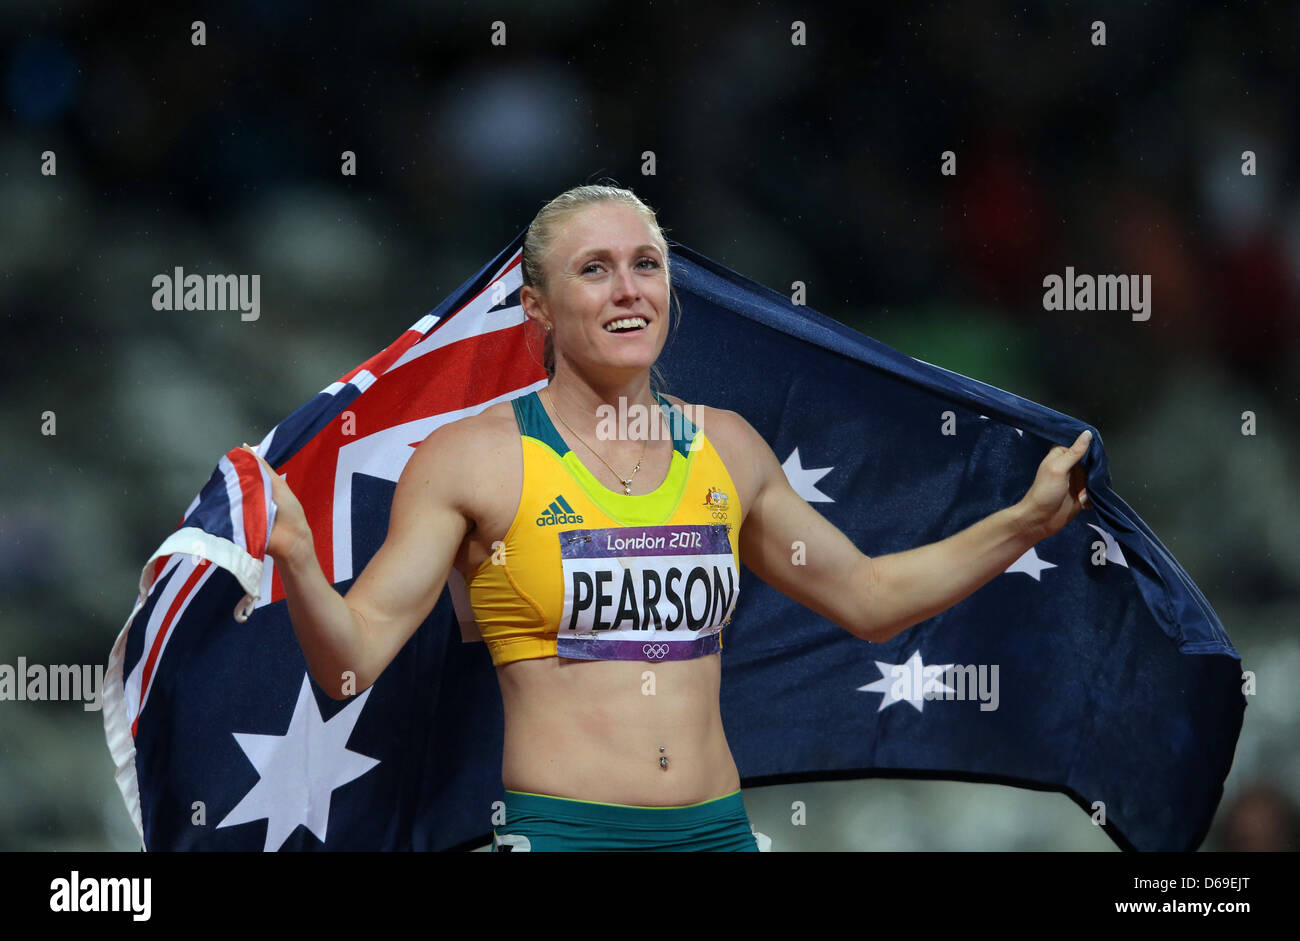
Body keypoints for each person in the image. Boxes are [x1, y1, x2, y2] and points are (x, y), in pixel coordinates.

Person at [240, 183, 1092, 852]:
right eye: (594, 268)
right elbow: (352, 663)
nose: (628, 290)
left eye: (646, 263)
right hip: (570, 837)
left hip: (715, 832)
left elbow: (870, 597)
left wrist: (1023, 523)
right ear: (535, 306)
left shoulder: (726, 447)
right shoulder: (474, 460)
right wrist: (300, 561)